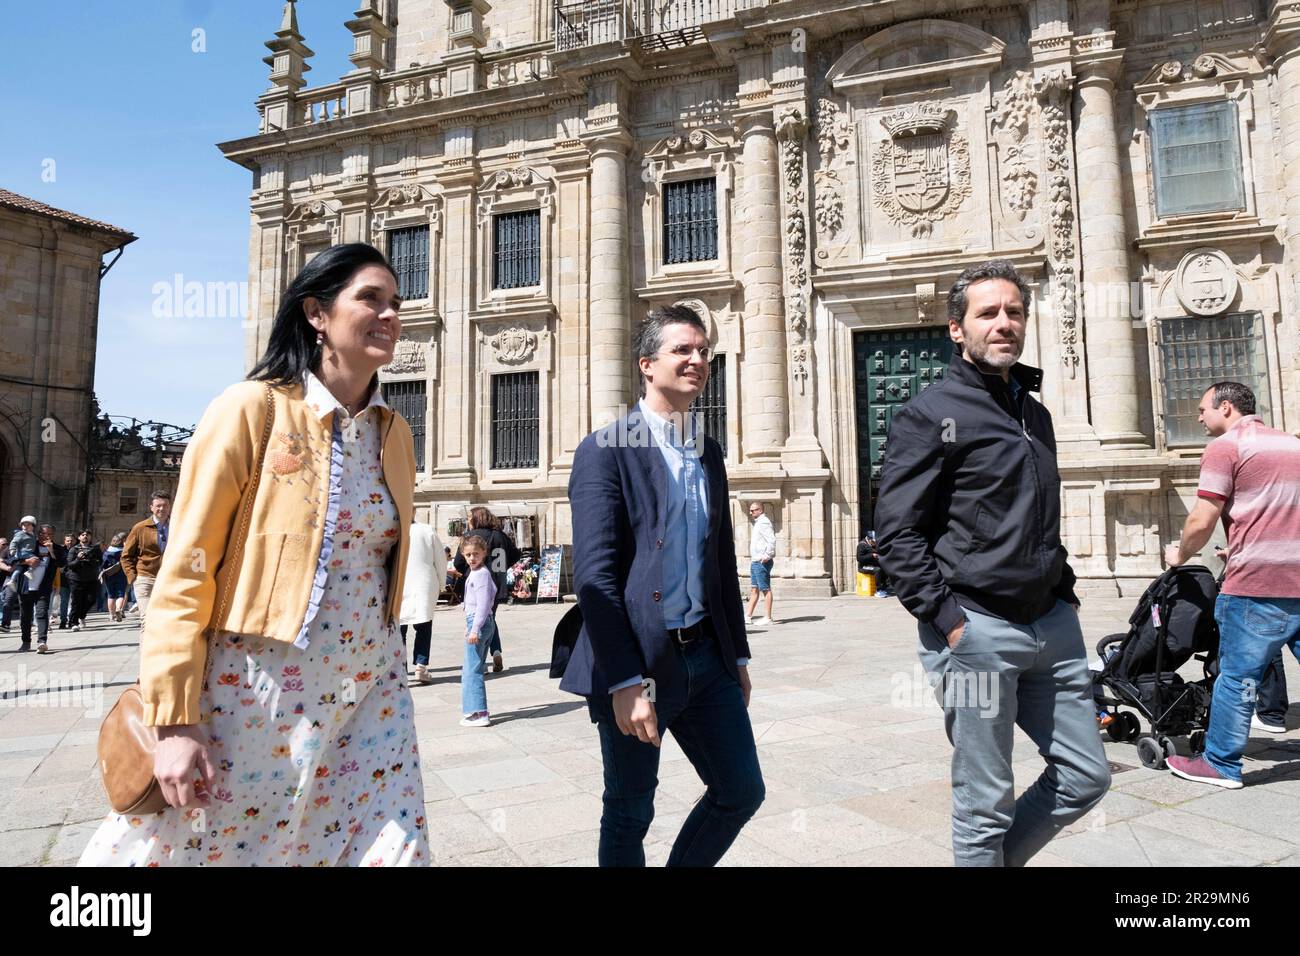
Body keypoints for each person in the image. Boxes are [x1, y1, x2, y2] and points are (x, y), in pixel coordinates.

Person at [78, 242, 427, 866]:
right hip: (259, 691)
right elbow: (183, 572)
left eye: (396, 302)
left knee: (389, 850)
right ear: (317, 314)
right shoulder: (250, 409)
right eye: (370, 299)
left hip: (370, 692)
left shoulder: (393, 434)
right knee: (225, 850)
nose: (390, 314)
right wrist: (177, 719)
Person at [875, 259, 1110, 867]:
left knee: (1087, 776)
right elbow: (895, 532)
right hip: (977, 628)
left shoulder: (1036, 414)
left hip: (1051, 625)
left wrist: (1064, 591)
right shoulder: (928, 415)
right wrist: (950, 621)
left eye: (1014, 311)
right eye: (988, 313)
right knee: (985, 801)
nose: (1003, 323)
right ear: (957, 328)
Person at [563, 304, 763, 867]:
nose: (698, 360)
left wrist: (738, 655)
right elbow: (595, 577)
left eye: (704, 351)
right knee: (630, 811)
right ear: (647, 365)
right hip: (639, 661)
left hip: (706, 655)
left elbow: (719, 560)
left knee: (741, 790)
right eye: (683, 350)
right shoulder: (606, 449)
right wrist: (625, 681)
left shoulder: (708, 450)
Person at [1165, 382, 1300, 789]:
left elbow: (1203, 519)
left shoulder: (1226, 447)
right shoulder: (1292, 445)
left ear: (1226, 407)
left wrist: (1181, 555)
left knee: (1238, 676)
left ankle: (1220, 763)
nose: (1199, 417)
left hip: (1258, 585)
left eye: (1203, 409)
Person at [452, 506, 519, 673]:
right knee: (489, 616)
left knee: (480, 618)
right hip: (497, 582)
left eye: (470, 518)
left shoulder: (470, 537)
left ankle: (483, 660)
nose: (468, 521)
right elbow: (516, 555)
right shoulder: (501, 535)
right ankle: (495, 651)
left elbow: (458, 562)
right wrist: (501, 567)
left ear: (476, 518)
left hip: (476, 582)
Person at [400, 520, 446, 685]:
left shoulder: (394, 529)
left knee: (399, 629)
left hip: (399, 584)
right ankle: (421, 666)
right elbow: (441, 559)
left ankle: (400, 667)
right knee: (424, 626)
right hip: (423, 584)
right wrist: (442, 583)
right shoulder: (426, 530)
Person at [459, 533, 498, 727]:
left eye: (476, 554)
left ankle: (479, 712)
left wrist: (474, 629)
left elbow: (483, 604)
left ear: (484, 553)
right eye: (468, 555)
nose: (472, 558)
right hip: (480, 622)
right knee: (474, 667)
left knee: (471, 670)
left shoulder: (481, 574)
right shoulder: (479, 573)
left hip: (479, 622)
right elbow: (493, 593)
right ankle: (475, 710)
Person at [120, 492, 171, 630]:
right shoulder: (140, 528)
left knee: (165, 622)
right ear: (151, 508)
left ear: (170, 507)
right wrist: (132, 577)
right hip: (145, 578)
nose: (162, 509)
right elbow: (126, 556)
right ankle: (146, 651)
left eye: (165, 505)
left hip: (169, 580)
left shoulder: (177, 527)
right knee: (147, 620)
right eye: (158, 506)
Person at [18, 524, 65, 654]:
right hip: (26, 586)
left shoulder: (57, 548)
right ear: (38, 534)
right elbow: (14, 559)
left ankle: (42, 642)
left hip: (43, 587)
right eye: (44, 534)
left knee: (42, 613)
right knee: (25, 616)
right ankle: (26, 642)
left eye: (49, 534)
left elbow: (62, 564)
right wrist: (27, 562)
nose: (46, 536)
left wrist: (51, 551)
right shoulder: (29, 545)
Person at [744, 501, 776, 626]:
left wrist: (767, 556)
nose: (751, 512)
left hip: (761, 562)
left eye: (754, 510)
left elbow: (771, 540)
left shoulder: (764, 522)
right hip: (755, 560)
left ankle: (768, 617)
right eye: (751, 510)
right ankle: (748, 616)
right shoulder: (758, 523)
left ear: (760, 510)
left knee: (765, 589)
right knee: (754, 589)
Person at [64, 530, 103, 631]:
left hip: (91, 578)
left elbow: (99, 562)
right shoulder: (74, 549)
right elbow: (70, 564)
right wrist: (78, 559)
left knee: (91, 599)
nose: (85, 536)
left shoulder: (95, 549)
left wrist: (90, 559)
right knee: (76, 601)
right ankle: (73, 622)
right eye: (83, 535)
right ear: (79, 537)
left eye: (87, 535)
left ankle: (82, 614)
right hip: (76, 579)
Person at [101, 532, 129, 623]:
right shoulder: (124, 551)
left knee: (111, 595)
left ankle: (111, 615)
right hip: (121, 575)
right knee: (121, 594)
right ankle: (118, 609)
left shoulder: (107, 552)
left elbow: (103, 564)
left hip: (110, 575)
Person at [57, 533, 75, 629]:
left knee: (74, 601)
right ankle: (63, 621)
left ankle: (72, 620)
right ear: (64, 541)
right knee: (64, 601)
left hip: (75, 578)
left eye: (71, 540)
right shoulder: (61, 550)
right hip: (64, 578)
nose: (69, 542)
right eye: (68, 540)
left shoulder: (77, 549)